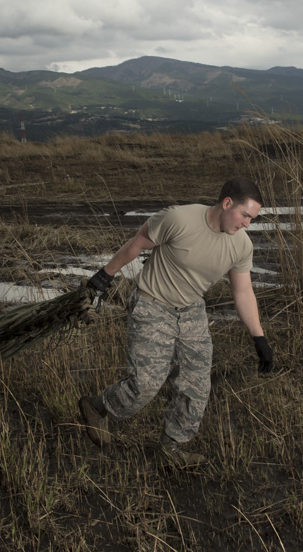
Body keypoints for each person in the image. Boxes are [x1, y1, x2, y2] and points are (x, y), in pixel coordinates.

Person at [78, 177, 275, 467]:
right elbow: (136, 244)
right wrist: (104, 276)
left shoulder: (241, 245)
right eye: (245, 215)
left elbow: (243, 291)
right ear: (227, 203)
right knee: (145, 385)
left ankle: (171, 448)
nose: (247, 224)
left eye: (252, 219)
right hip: (152, 303)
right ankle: (97, 407)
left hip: (192, 310)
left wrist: (259, 337)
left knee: (196, 385)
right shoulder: (178, 219)